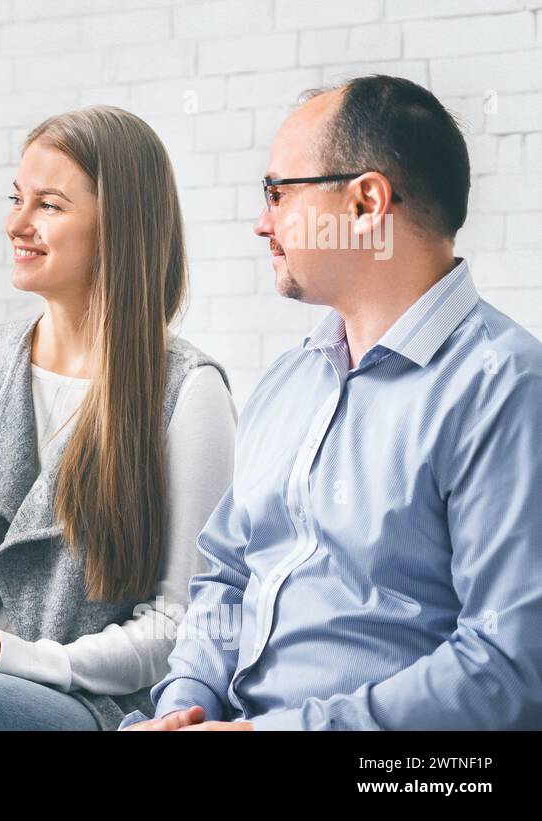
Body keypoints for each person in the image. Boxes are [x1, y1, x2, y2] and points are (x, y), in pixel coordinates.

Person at [124, 75, 542, 731]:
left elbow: (507, 663)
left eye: (278, 191)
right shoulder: (288, 382)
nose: (263, 221)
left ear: (366, 202)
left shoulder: (505, 388)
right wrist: (182, 707)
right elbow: (227, 576)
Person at [0, 106, 237, 730]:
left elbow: (182, 626)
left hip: (92, 705)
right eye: (17, 199)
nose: (16, 223)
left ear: (119, 225)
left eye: (49, 205)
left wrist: (16, 660)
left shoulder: (189, 391)